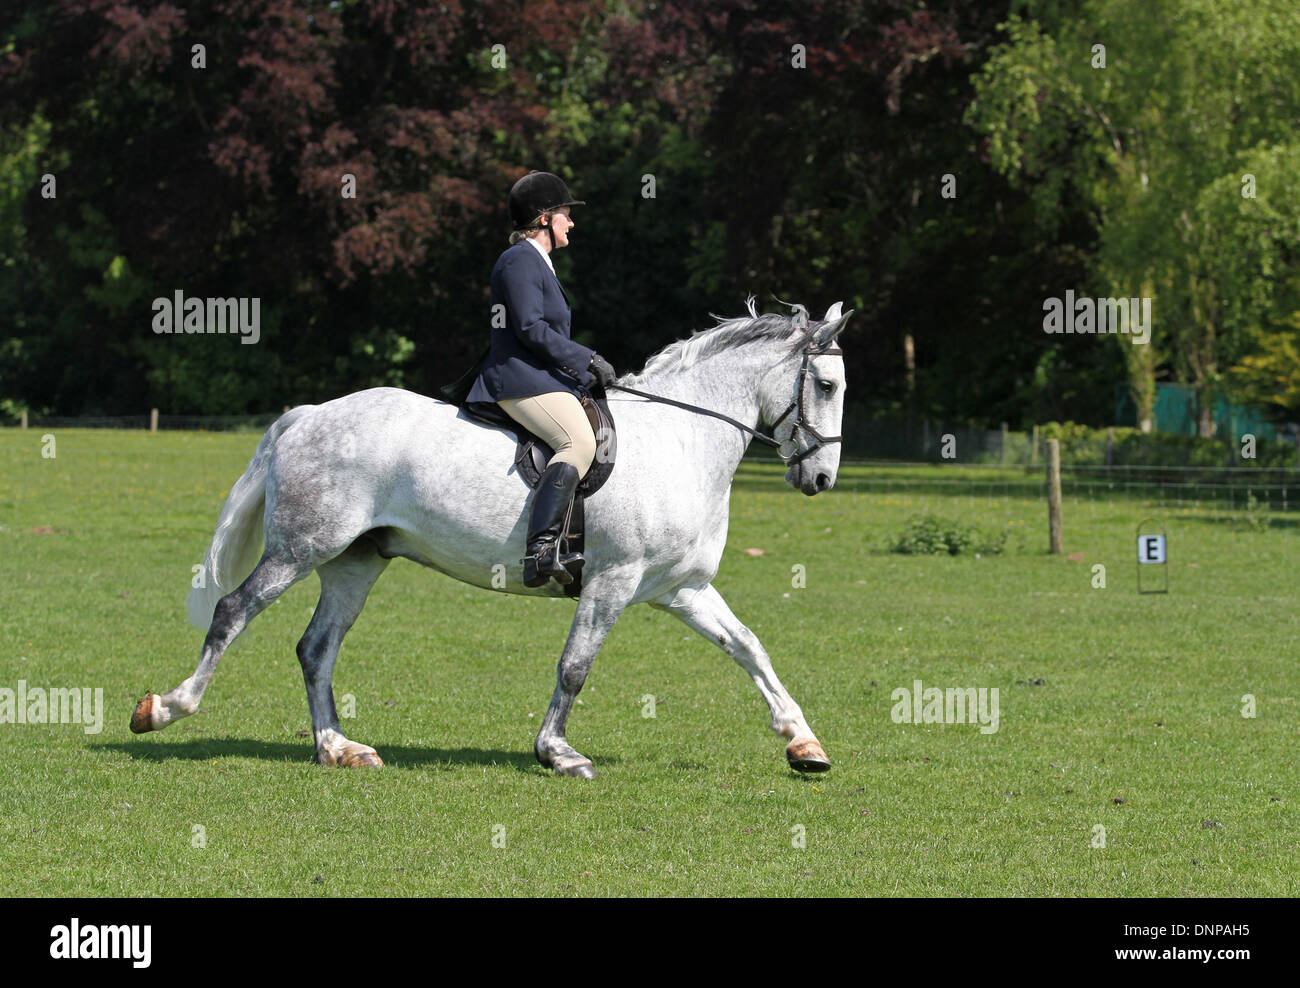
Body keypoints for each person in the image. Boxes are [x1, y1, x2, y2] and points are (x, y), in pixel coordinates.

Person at [463, 170, 617, 588]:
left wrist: (583, 371)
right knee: (579, 441)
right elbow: (530, 330)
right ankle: (542, 548)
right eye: (566, 214)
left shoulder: (538, 263)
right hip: (517, 379)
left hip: (540, 377)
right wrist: (587, 357)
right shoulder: (518, 261)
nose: (572, 222)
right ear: (546, 217)